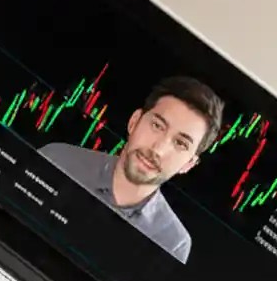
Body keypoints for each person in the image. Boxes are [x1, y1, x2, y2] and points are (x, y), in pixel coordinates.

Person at [39, 75, 225, 264]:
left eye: (180, 143)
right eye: (157, 126)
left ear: (188, 164)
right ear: (134, 121)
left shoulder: (173, 243)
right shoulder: (56, 159)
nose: (158, 149)